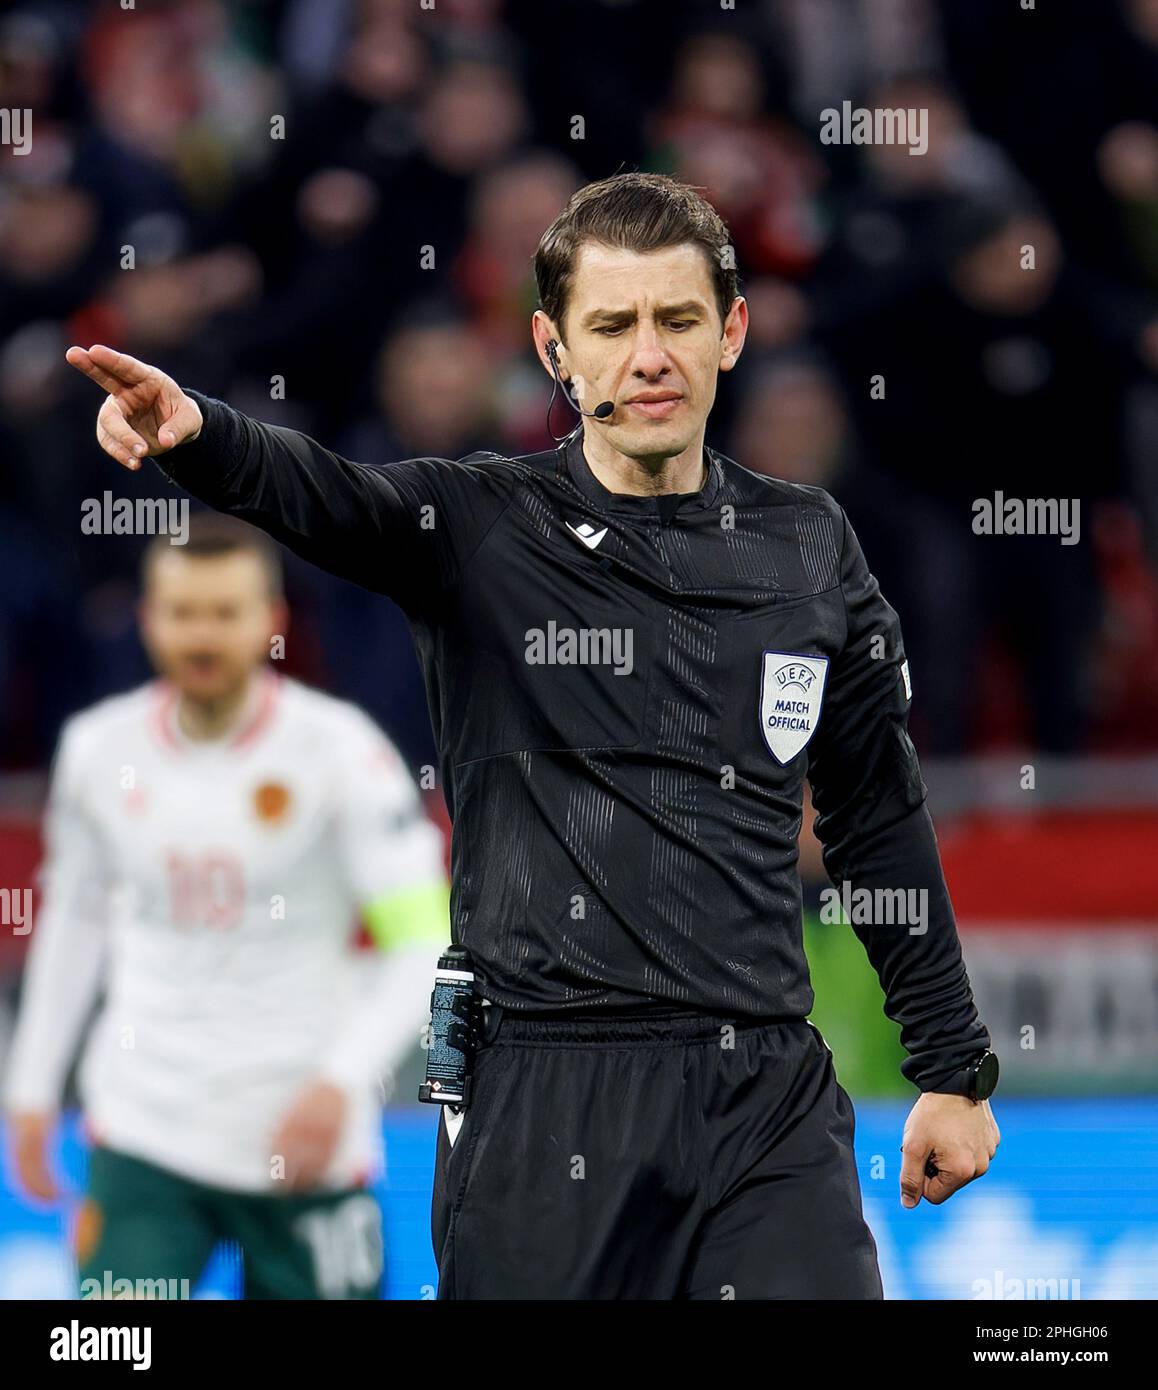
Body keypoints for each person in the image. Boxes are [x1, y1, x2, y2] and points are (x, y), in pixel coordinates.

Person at [63, 171, 999, 1300]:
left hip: (764, 1092)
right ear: (555, 350)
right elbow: (328, 495)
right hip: (540, 1094)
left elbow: (876, 812)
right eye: (613, 325)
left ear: (733, 330)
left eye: (679, 319)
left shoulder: (808, 544)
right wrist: (198, 434)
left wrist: (952, 1067)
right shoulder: (477, 525)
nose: (650, 355)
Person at [4, 515, 449, 1299]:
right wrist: (33, 1083)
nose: (202, 635)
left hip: (305, 1137)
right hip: (144, 1133)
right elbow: (74, 922)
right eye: (182, 612)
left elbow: (425, 936)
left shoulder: (342, 753)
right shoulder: (98, 752)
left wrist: (344, 1080)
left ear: (270, 622)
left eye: (225, 612)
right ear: (147, 620)